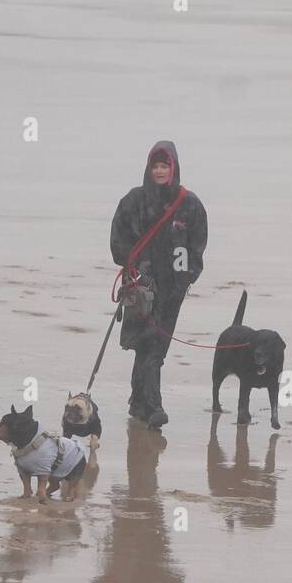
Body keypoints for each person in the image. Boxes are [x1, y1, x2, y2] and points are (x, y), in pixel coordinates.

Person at [110, 141, 208, 428]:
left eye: (165, 165)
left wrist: (188, 276)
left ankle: (139, 402)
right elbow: (118, 242)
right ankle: (152, 407)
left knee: (155, 346)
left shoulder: (190, 204)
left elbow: (198, 246)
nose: (160, 171)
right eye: (156, 165)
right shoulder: (133, 201)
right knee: (147, 344)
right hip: (140, 287)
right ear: (148, 168)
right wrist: (133, 268)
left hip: (172, 290)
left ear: (174, 167)